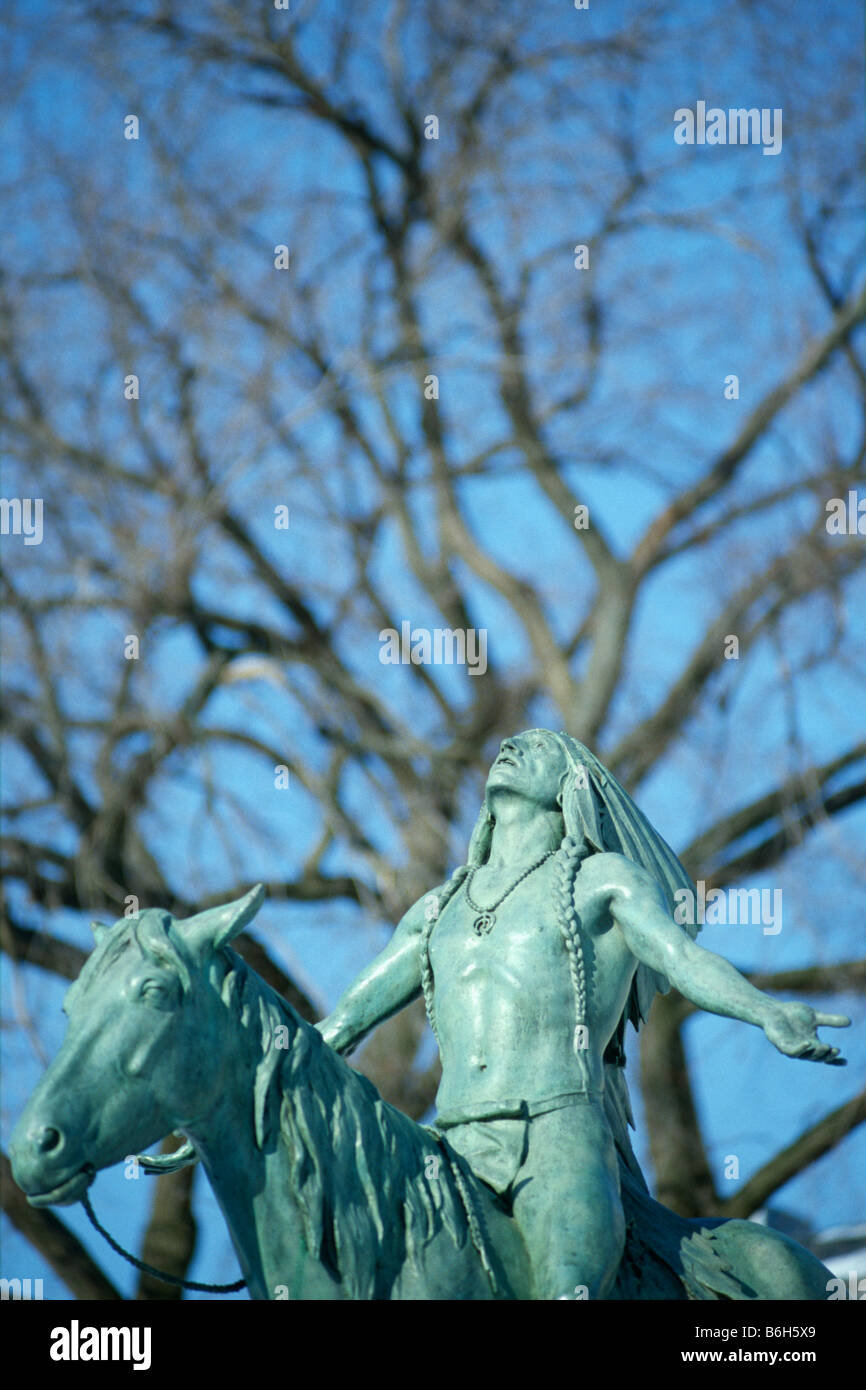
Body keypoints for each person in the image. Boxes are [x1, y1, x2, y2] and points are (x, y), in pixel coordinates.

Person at [316, 729, 849, 1299]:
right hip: (450, 1143)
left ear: (572, 785)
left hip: (558, 1137)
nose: (511, 747)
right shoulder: (438, 908)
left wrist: (765, 1010)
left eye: (540, 747)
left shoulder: (600, 880)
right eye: (509, 744)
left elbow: (681, 957)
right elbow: (340, 1026)